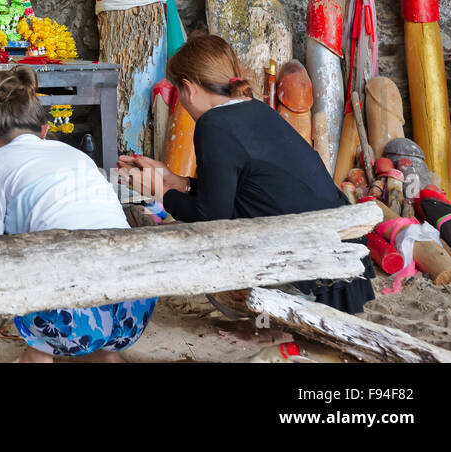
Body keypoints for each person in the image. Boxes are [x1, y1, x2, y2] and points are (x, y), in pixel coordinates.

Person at [118, 32, 375, 314]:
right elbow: (231, 194)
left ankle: (269, 321)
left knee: (196, 245)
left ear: (189, 88)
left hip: (315, 276)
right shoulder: (252, 109)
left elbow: (211, 219)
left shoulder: (213, 125)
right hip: (343, 261)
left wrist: (159, 192)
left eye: (179, 92)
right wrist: (175, 180)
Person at [0, 66, 156, 362]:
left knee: (40, 348)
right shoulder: (75, 155)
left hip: (70, 320)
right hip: (134, 307)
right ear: (44, 130)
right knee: (102, 349)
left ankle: (38, 353)